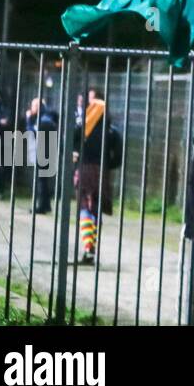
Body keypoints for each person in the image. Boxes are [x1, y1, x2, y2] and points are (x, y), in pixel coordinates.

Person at [74, 88, 114, 265]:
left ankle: (88, 246)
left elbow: (72, 144)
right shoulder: (110, 130)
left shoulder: (83, 128)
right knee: (95, 209)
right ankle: (91, 247)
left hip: (86, 168)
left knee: (85, 206)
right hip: (102, 170)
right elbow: (117, 154)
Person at [23, 94, 59, 214]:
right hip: (46, 151)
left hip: (43, 152)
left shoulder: (43, 119)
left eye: (33, 105)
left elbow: (31, 133)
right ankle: (46, 205)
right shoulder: (44, 117)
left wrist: (28, 119)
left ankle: (41, 206)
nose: (31, 108)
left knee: (41, 180)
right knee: (43, 179)